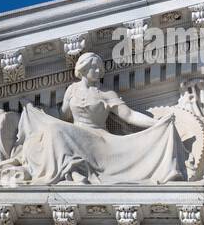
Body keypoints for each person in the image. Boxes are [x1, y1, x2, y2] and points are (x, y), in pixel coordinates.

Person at [17, 52, 185, 184]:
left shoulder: (105, 93)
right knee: (54, 130)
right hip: (74, 134)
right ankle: (73, 172)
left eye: (99, 68)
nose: (98, 71)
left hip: (98, 139)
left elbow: (128, 115)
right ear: (83, 69)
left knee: (57, 131)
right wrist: (36, 111)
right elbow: (63, 115)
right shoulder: (72, 90)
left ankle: (75, 172)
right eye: (94, 67)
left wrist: (156, 123)